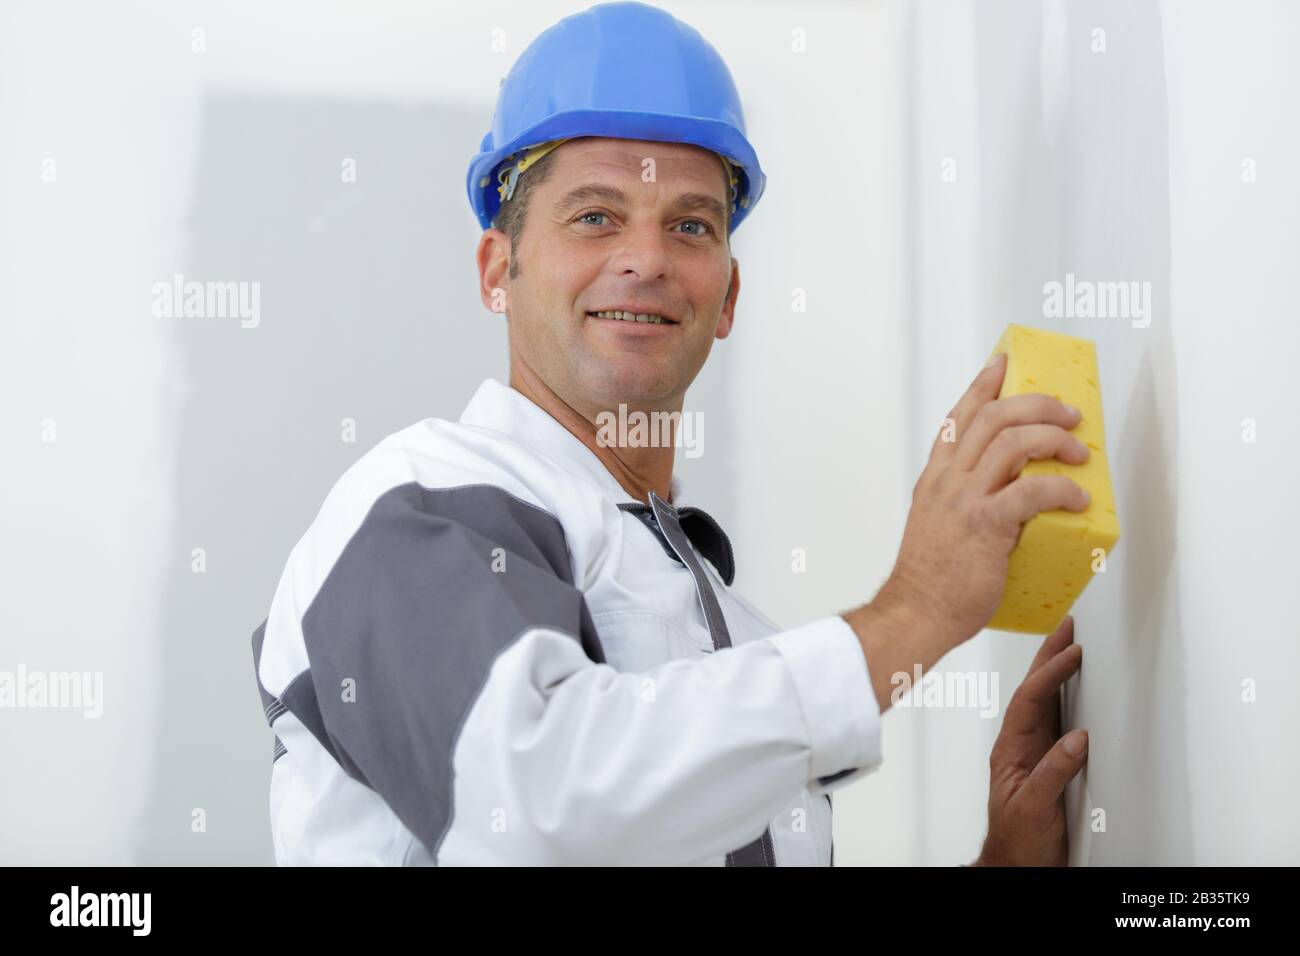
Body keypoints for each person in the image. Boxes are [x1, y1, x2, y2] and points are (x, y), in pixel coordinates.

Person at [251, 0, 1091, 866]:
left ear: (726, 296)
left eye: (690, 225)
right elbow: (540, 815)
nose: (646, 258)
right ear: (499, 270)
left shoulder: (743, 640)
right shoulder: (412, 507)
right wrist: (915, 612)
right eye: (595, 216)